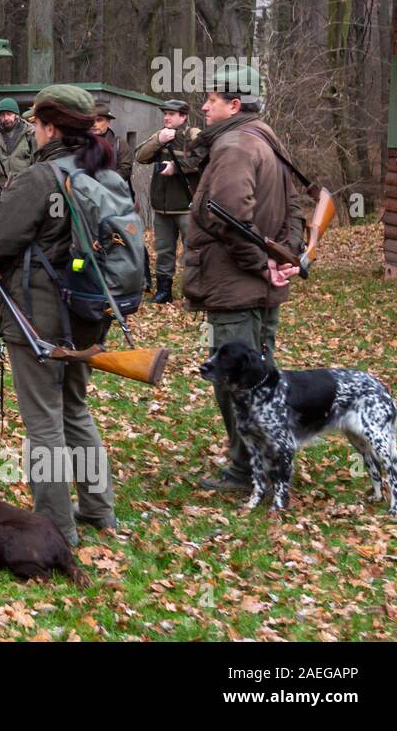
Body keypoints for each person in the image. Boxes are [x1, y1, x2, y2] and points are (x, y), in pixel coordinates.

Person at [0, 85, 117, 545]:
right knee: (75, 408)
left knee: (43, 421)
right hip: (89, 314)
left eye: (37, 124)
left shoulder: (42, 178)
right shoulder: (104, 173)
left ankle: (57, 525)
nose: (34, 131)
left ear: (50, 127)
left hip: (40, 318)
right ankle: (98, 508)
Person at [183, 65, 303, 493]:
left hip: (237, 284)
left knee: (234, 378)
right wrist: (286, 257)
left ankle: (244, 470)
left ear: (234, 105)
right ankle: (267, 461)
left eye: (211, 100)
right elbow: (294, 208)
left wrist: (265, 264)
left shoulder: (234, 144)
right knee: (263, 377)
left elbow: (231, 219)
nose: (203, 106)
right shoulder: (265, 138)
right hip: (258, 283)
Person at [134, 99, 200, 303]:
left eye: (172, 114)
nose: (167, 117)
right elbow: (140, 157)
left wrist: (176, 166)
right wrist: (158, 141)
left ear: (183, 117)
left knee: (193, 250)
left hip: (186, 206)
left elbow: (203, 160)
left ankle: (193, 291)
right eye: (165, 114)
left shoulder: (194, 136)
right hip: (162, 207)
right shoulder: (160, 135)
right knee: (163, 251)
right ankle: (164, 290)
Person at [0, 96, 34, 195]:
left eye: (9, 114)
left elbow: (37, 162)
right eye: (2, 115)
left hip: (25, 189)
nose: (5, 118)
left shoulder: (29, 133)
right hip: (0, 190)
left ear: (16, 115)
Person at [91, 105, 133, 183]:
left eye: (99, 120)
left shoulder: (119, 144)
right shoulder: (81, 143)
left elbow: (125, 171)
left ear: (108, 123)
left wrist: (103, 181)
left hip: (111, 191)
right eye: (91, 120)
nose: (94, 124)